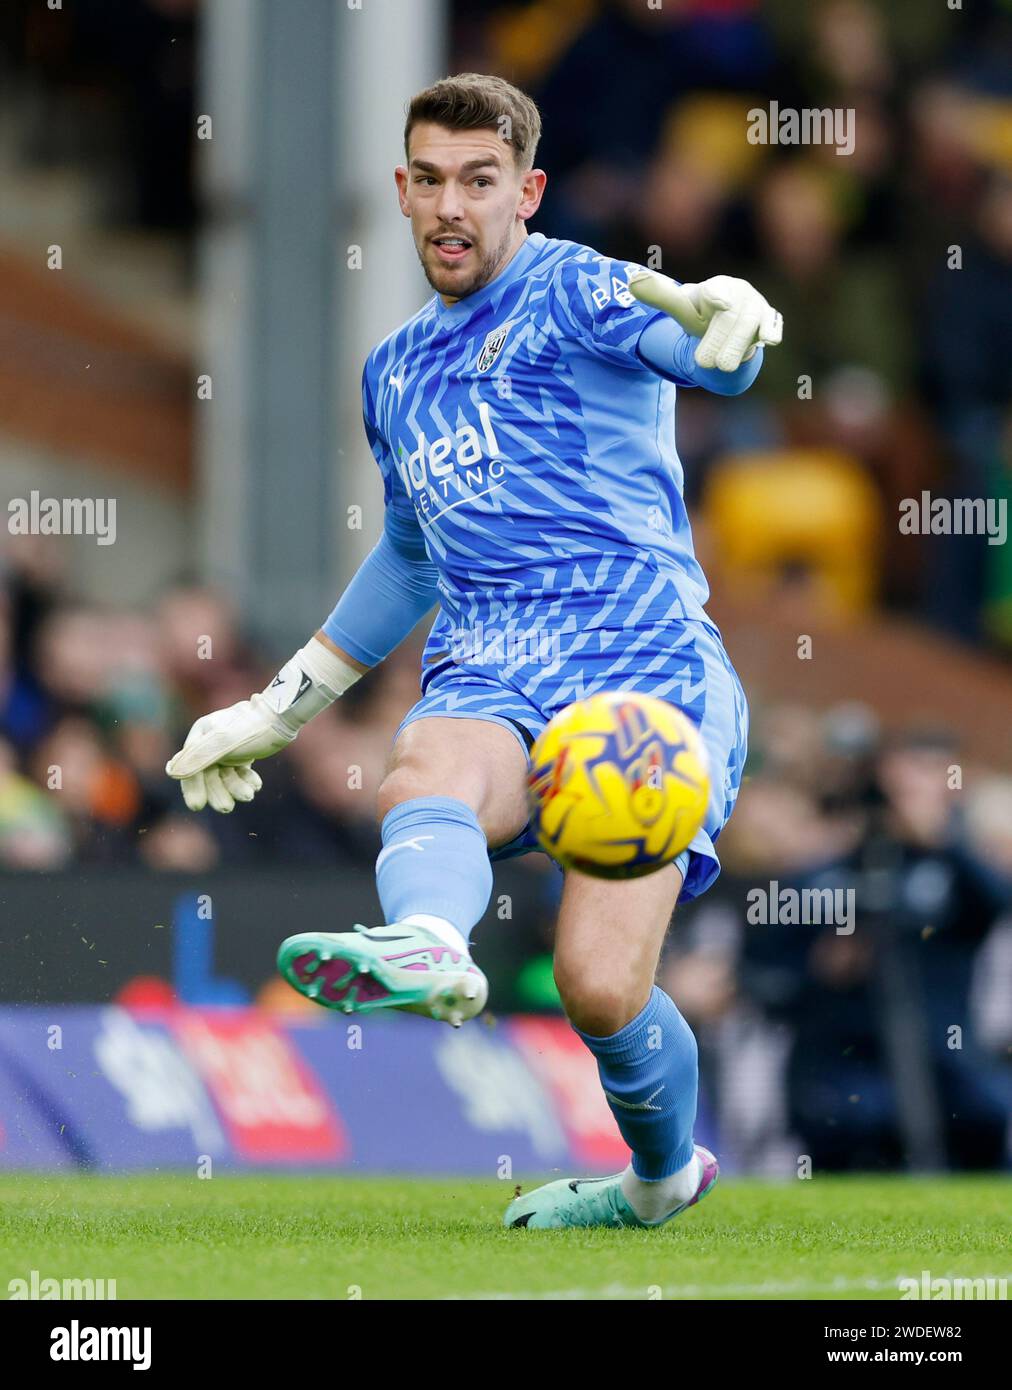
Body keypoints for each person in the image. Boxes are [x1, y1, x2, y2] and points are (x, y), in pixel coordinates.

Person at [166, 73, 782, 1230]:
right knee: (424, 767)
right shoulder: (393, 371)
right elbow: (408, 557)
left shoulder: (574, 287)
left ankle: (657, 1182)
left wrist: (733, 329)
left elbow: (696, 340)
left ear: (526, 192)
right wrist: (281, 706)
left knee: (603, 991)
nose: (453, 205)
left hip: (639, 674)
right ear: (400, 191)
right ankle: (432, 942)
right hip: (490, 666)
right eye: (431, 180)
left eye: (480, 181)